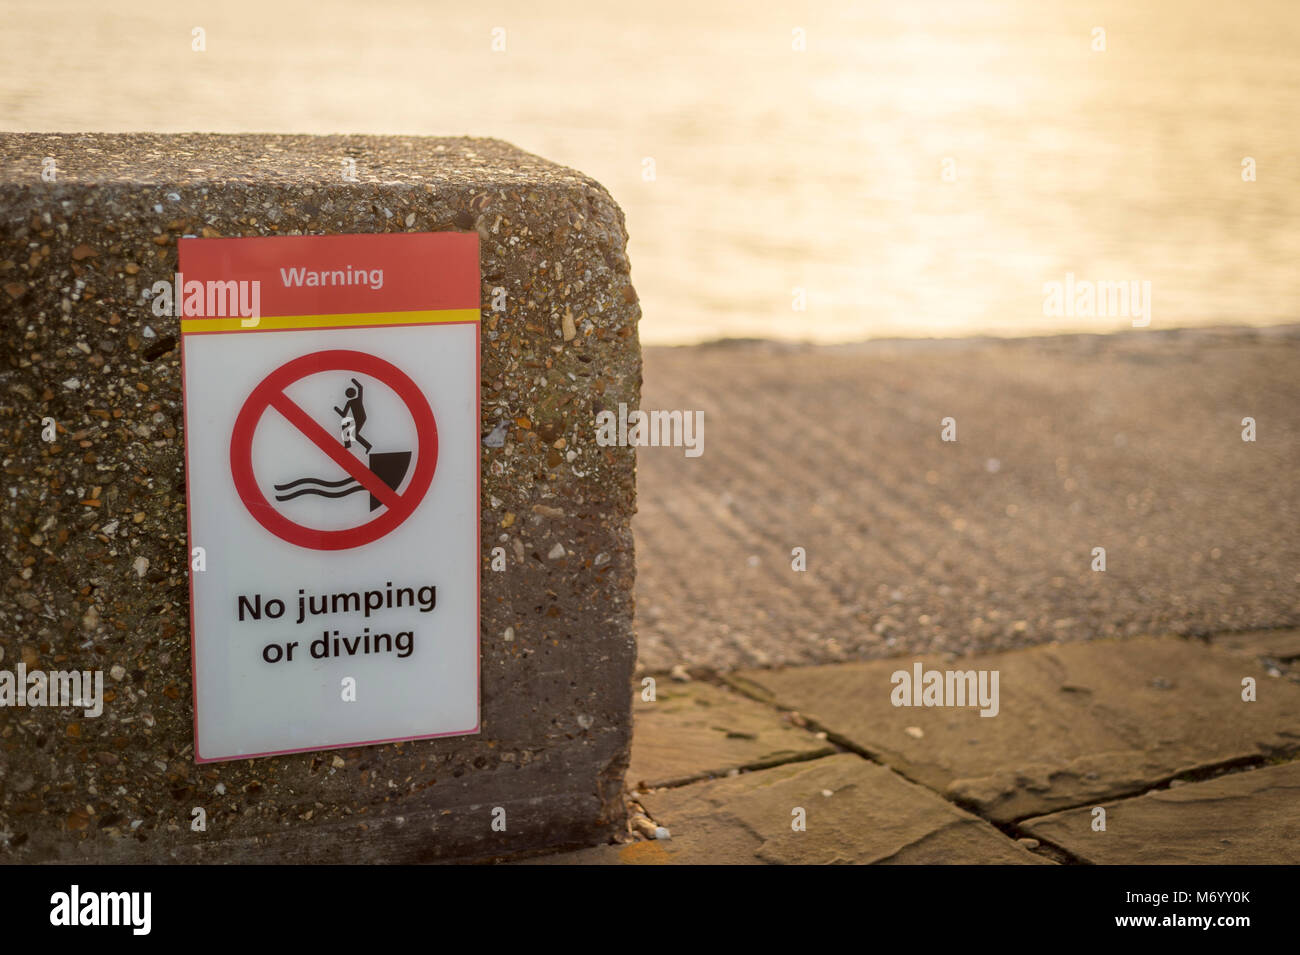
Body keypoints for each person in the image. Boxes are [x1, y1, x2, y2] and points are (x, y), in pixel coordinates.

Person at [333, 377, 373, 452]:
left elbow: (360, 388)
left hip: (361, 418)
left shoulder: (357, 399)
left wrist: (353, 380)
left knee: (354, 434)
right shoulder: (351, 402)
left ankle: (368, 446)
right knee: (345, 425)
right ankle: (347, 445)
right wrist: (337, 409)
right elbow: (344, 415)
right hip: (357, 419)